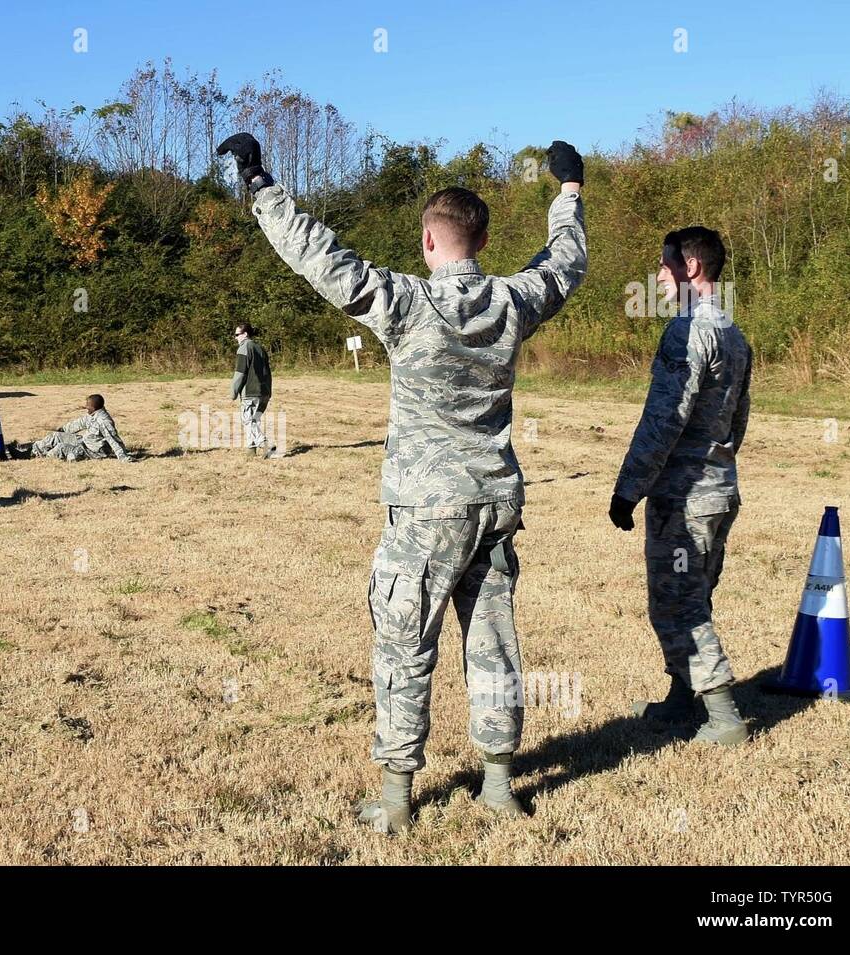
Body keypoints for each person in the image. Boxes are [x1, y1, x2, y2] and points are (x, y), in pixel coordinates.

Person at [219, 131, 587, 831]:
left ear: (428, 241)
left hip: (426, 509)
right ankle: (500, 786)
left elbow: (320, 258)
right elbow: (565, 263)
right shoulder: (512, 301)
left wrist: (260, 184)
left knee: (404, 644)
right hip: (495, 502)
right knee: (495, 641)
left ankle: (395, 799)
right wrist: (568, 192)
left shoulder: (408, 303)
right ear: (479, 240)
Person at [610, 226, 752, 746]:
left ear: (691, 268)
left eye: (664, 266)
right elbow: (738, 420)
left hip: (685, 496)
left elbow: (663, 420)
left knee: (676, 606)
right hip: (719, 489)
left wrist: (629, 488)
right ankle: (680, 697)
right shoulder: (734, 333)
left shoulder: (687, 330)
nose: (658, 277)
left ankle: (724, 716)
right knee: (695, 594)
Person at [13, 394, 132, 462]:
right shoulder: (92, 415)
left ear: (94, 407)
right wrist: (63, 431)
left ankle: (36, 457)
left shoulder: (104, 421)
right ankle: (28, 450)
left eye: (88, 405)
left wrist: (123, 457)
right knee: (56, 437)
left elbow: (114, 440)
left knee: (61, 448)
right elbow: (78, 423)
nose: (86, 407)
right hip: (85, 442)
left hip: (94, 451)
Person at [230, 322, 275, 457]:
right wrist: (268, 391)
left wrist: (233, 391)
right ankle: (251, 450)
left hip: (251, 392)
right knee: (253, 421)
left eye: (237, 334)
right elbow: (268, 371)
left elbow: (240, 372)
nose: (235, 337)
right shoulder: (260, 348)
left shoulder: (244, 348)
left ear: (245, 334)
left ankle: (265, 443)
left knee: (248, 421)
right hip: (265, 392)